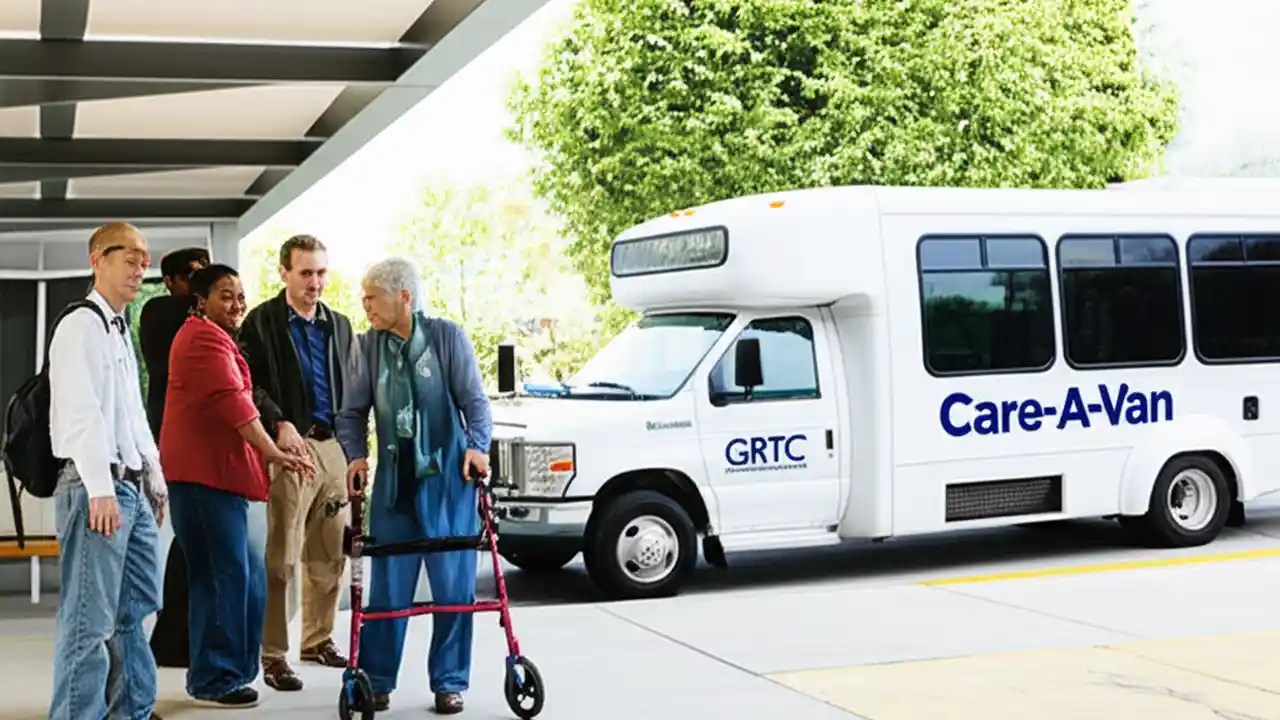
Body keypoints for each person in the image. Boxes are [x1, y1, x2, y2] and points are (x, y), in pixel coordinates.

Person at [336, 256, 492, 716]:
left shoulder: (446, 338)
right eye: (363, 296)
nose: (364, 305)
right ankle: (378, 680)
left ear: (403, 296)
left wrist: (477, 446)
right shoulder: (367, 347)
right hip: (395, 486)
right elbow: (351, 414)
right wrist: (356, 455)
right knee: (388, 591)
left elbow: (475, 403)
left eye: (372, 297)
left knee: (453, 588)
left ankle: (449, 682)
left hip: (448, 481)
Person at [159, 263, 316, 707]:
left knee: (245, 576)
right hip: (202, 479)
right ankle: (215, 678)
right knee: (221, 577)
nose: (237, 303)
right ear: (201, 300)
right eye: (225, 295)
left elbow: (242, 401)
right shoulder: (201, 337)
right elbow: (236, 405)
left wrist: (273, 447)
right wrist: (274, 451)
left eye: (240, 295)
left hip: (225, 478)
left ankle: (237, 671)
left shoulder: (221, 338)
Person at [48, 222, 168, 720]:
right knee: (88, 623)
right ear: (97, 258)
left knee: (134, 613)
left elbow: (130, 412)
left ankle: (132, 711)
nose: (141, 268)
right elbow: (82, 413)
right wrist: (100, 489)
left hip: (131, 487)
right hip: (96, 486)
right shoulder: (80, 324)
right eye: (131, 257)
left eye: (145, 260)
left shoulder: (119, 326)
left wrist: (154, 475)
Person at [238, 233, 359, 691]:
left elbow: (351, 387)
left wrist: (352, 450)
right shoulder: (262, 322)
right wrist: (278, 422)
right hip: (288, 447)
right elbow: (246, 384)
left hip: (333, 448)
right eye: (305, 272)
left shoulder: (339, 325)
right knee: (282, 557)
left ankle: (317, 639)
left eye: (321, 272)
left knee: (330, 552)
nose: (315, 282)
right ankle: (274, 654)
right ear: (284, 272)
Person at [138, 245, 209, 669]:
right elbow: (169, 366)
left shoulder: (206, 317)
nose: (200, 282)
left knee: (196, 540)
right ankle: (171, 639)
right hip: (174, 436)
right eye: (192, 275)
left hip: (206, 437)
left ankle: (184, 636)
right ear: (170, 281)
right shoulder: (160, 313)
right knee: (187, 537)